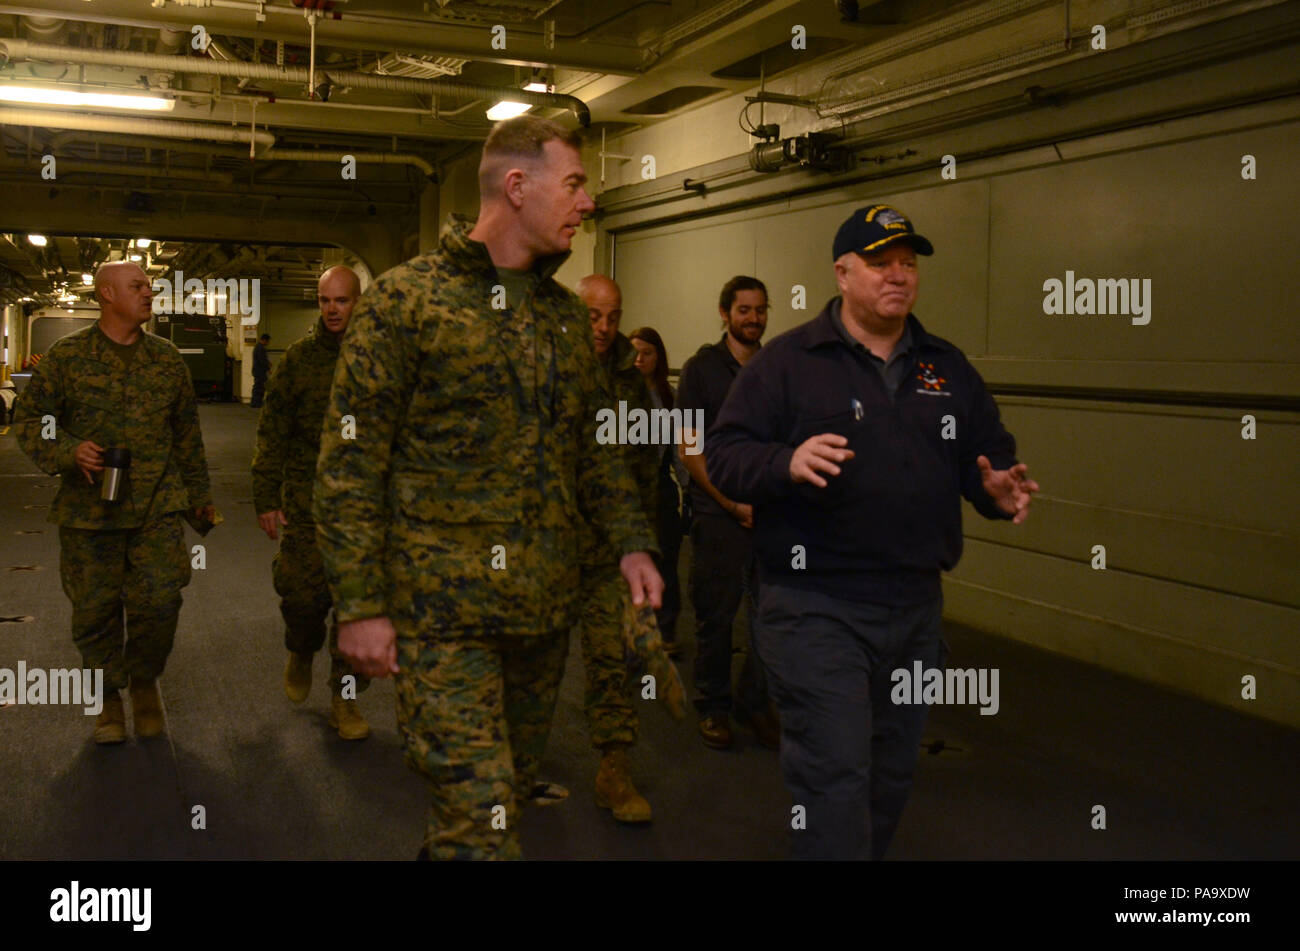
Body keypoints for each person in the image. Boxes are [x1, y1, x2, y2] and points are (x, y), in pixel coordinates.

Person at [312, 115, 664, 861]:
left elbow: (599, 453)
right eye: (573, 183)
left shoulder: (567, 321)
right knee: (479, 819)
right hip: (440, 616)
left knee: (505, 803)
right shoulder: (406, 302)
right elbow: (350, 464)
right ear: (516, 185)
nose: (587, 202)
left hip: (541, 613)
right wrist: (360, 604)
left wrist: (634, 543)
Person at [706, 204, 1040, 860]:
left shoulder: (945, 368)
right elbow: (724, 453)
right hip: (814, 606)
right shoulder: (787, 363)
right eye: (881, 263)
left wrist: (997, 487)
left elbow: (986, 451)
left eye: (908, 264)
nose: (899, 276)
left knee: (890, 774)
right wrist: (785, 461)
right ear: (842, 272)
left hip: (914, 609)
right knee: (835, 774)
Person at [14, 261, 214, 744]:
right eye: (137, 286)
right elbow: (29, 419)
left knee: (161, 602)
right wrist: (67, 449)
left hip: (156, 508)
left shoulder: (167, 361)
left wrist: (200, 499)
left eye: (149, 285)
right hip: (90, 512)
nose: (149, 292)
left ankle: (143, 681)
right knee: (94, 612)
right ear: (107, 294)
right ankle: (107, 698)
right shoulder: (66, 358)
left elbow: (187, 436)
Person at [251, 265, 370, 740]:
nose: (332, 309)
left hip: (364, 513)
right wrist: (266, 497)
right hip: (306, 506)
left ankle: (345, 700)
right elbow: (272, 433)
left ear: (358, 302)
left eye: (342, 301)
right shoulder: (298, 362)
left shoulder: (382, 359)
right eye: (325, 301)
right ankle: (301, 648)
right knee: (302, 601)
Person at [571, 274, 661, 823]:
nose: (604, 327)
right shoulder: (547, 364)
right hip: (549, 545)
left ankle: (614, 770)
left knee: (613, 659)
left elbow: (646, 466)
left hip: (610, 548)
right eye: (592, 316)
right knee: (528, 659)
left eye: (612, 315)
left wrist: (643, 545)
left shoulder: (631, 380)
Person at [677, 276, 779, 751]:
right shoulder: (702, 369)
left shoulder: (777, 367)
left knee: (774, 617)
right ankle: (714, 707)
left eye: (760, 310)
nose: (753, 318)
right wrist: (729, 502)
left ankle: (753, 701)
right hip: (718, 514)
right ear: (725, 313)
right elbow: (689, 445)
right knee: (716, 617)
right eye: (744, 310)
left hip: (770, 514)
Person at [629, 326, 688, 660]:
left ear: (659, 357)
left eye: (647, 353)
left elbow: (684, 451)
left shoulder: (672, 397)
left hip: (661, 490)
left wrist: (690, 492)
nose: (640, 359)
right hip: (629, 492)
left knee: (665, 563)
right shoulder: (616, 396)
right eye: (634, 352)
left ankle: (665, 630)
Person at [250, 333, 271, 407]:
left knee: (258, 386)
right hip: (260, 371)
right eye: (267, 341)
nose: (268, 343)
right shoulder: (261, 348)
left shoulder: (257, 347)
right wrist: (268, 367)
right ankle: (256, 402)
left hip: (257, 370)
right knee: (259, 387)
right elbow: (262, 360)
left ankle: (255, 402)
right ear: (264, 340)